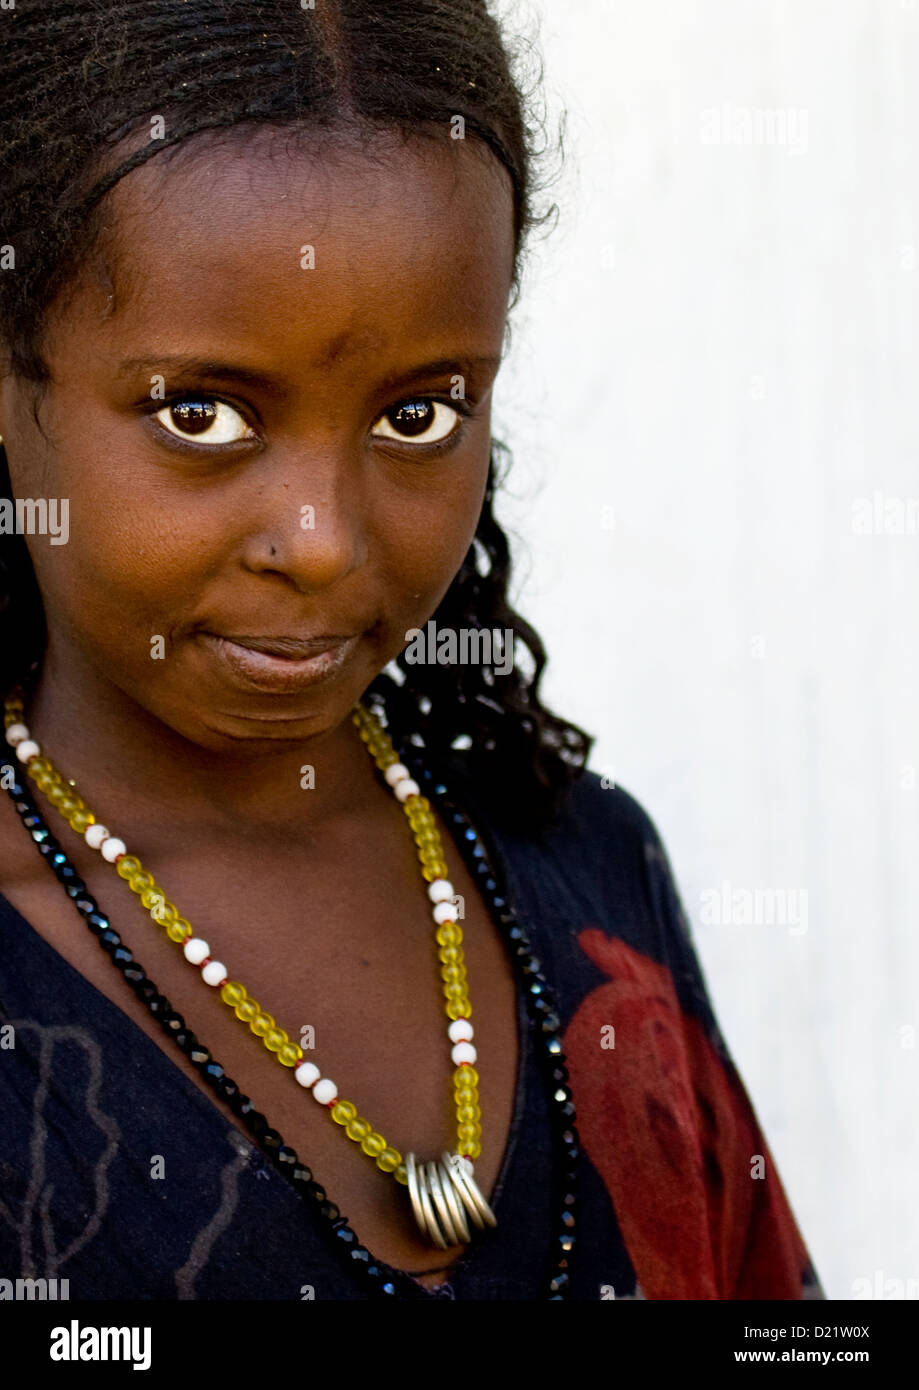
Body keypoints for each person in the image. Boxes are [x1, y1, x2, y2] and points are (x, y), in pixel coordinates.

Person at [0, 0, 823, 1301]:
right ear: (13, 379)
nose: (323, 540)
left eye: (420, 410)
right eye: (201, 412)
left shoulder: (593, 874)